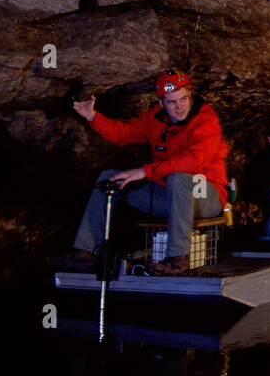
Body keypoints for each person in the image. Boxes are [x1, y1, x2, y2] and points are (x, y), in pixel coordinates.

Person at [65, 70, 229, 275]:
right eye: (172, 102)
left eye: (184, 99)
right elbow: (124, 133)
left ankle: (178, 259)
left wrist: (145, 172)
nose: (180, 106)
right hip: (169, 195)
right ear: (161, 103)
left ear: (190, 96)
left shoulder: (206, 118)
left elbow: (194, 161)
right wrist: (92, 116)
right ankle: (85, 254)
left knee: (179, 179)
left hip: (205, 194)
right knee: (109, 178)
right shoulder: (156, 117)